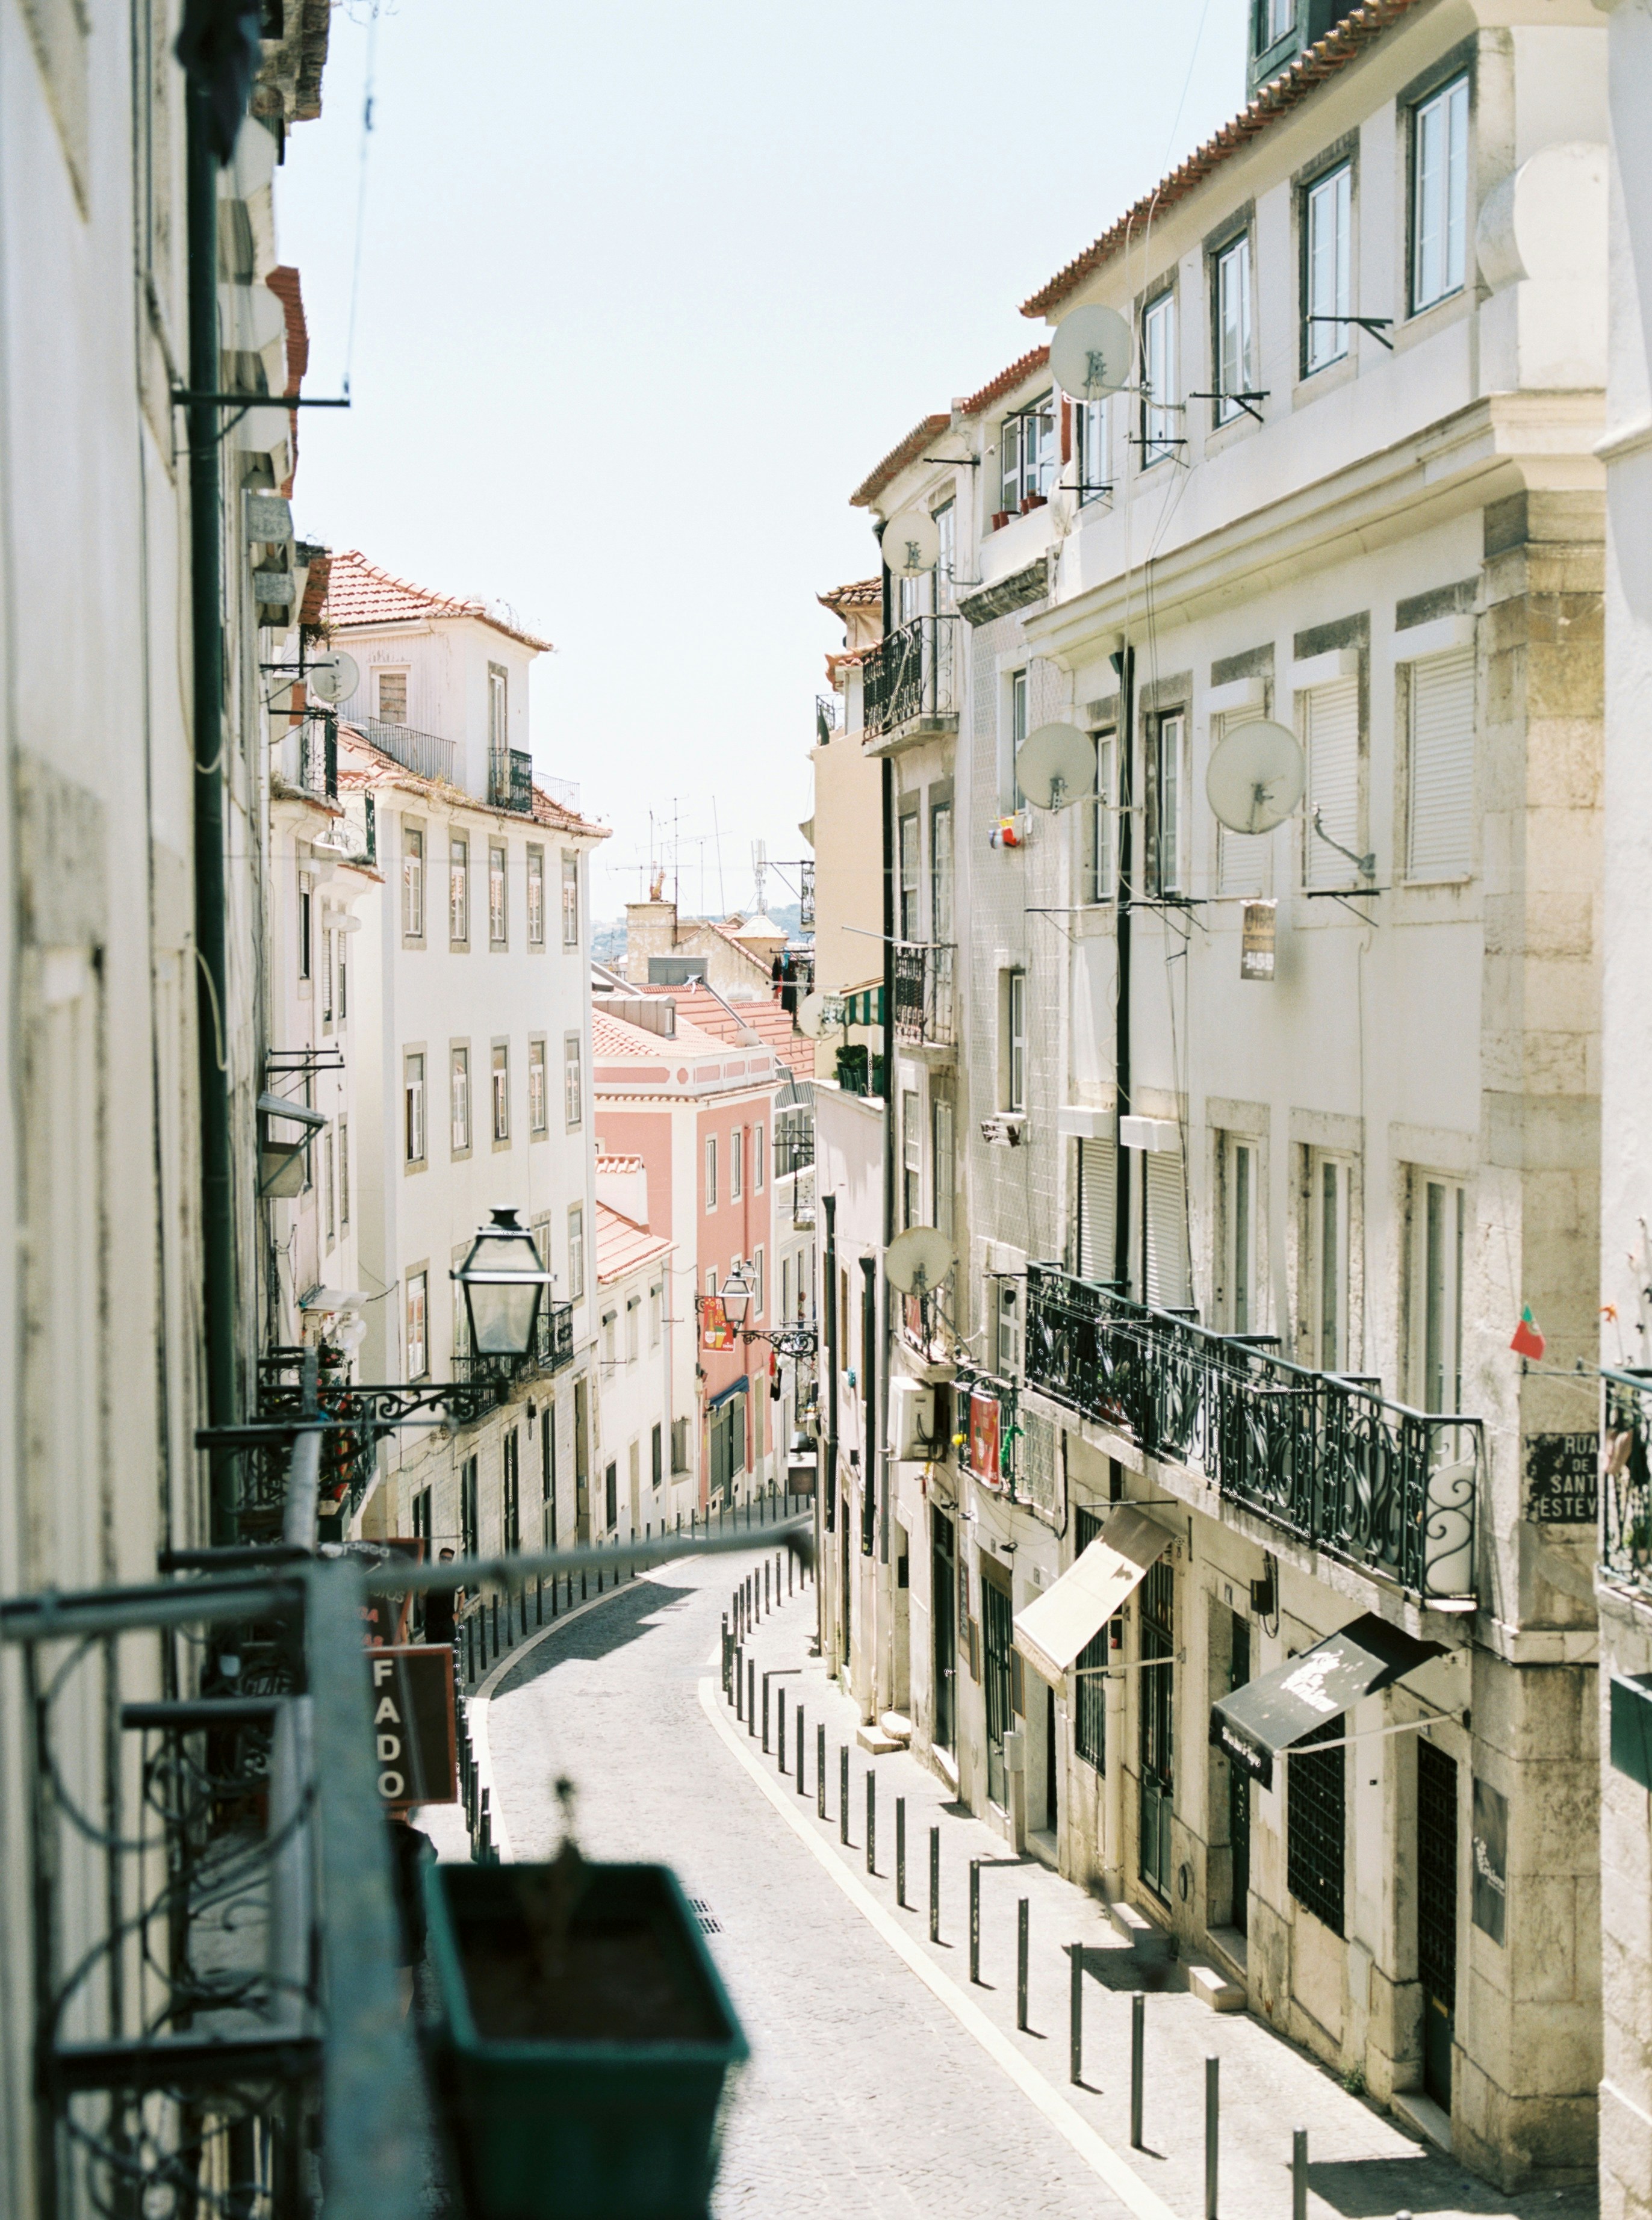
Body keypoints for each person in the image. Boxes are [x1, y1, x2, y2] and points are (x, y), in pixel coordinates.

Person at [421, 1546, 459, 1646]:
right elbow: (422, 1595)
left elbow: (462, 1594)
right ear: (439, 1558)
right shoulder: (431, 1575)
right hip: (432, 1622)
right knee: (433, 1653)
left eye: (449, 1559)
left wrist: (458, 1612)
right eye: (443, 1558)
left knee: (450, 1651)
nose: (446, 1561)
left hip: (447, 1622)